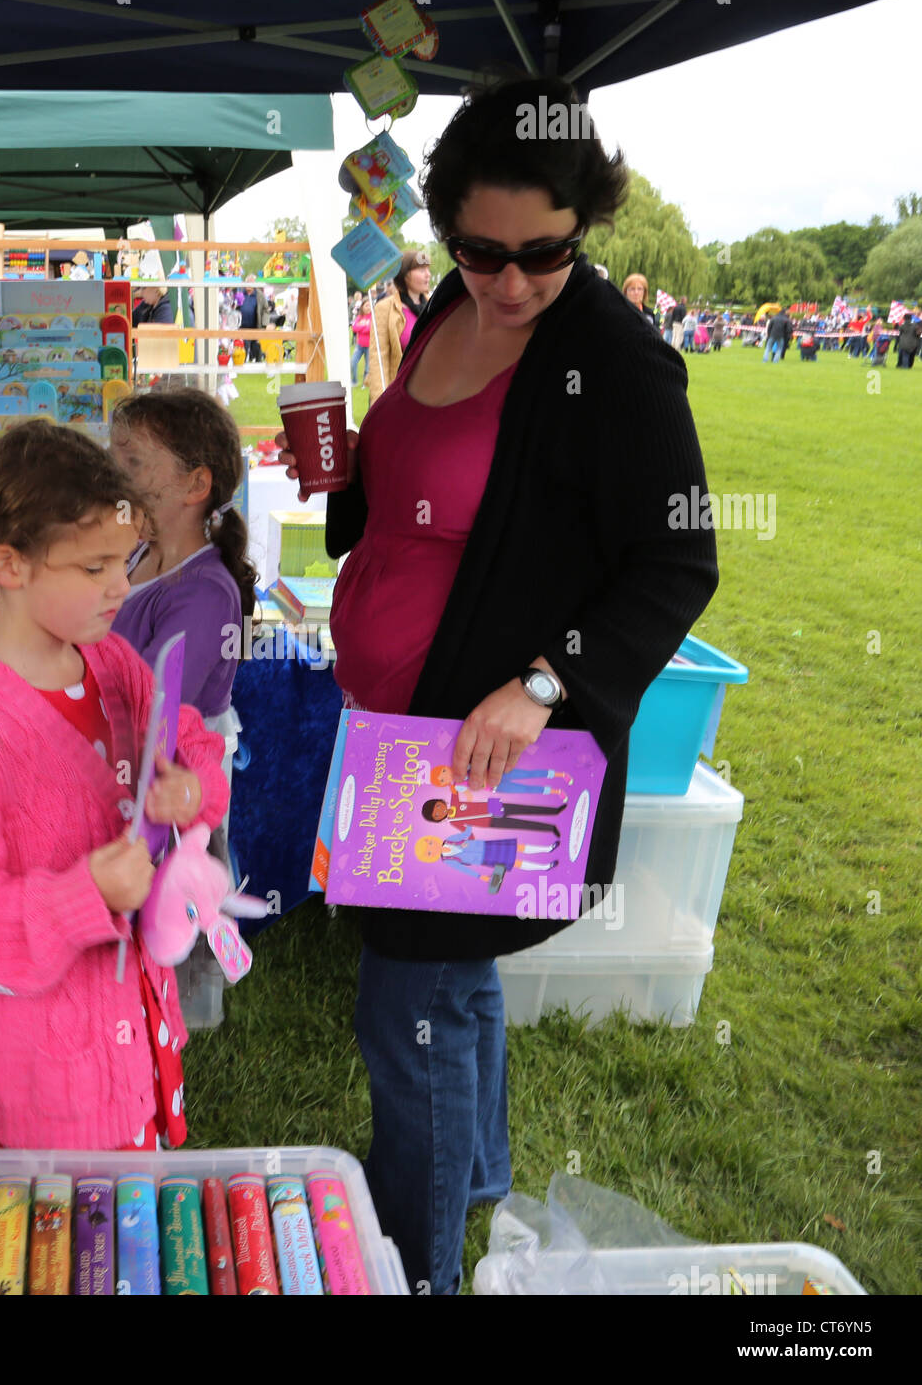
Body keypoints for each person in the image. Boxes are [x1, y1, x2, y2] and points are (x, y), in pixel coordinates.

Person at [277, 74, 718, 1295]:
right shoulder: (437, 312)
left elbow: (675, 558)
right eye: (479, 251)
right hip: (397, 731)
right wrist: (350, 471)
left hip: (478, 750)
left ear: (584, 229)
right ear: (443, 226)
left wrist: (543, 683)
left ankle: (413, 1267)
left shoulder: (614, 363)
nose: (510, 282)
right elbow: (426, 475)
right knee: (451, 984)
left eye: (543, 254)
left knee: (404, 1009)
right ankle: (470, 1187)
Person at [0, 422, 230, 1151]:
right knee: (77, 1240)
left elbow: (192, 739)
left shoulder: (111, 662)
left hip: (135, 1021)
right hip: (55, 1070)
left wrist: (191, 787)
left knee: (139, 1206)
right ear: (10, 567)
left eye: (128, 558)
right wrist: (85, 896)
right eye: (93, 569)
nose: (122, 585)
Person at [108, 390, 256, 724]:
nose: (111, 480)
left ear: (196, 485)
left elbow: (147, 713)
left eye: (134, 464)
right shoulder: (136, 553)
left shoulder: (206, 594)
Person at [367, 249, 432, 408]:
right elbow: (378, 360)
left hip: (432, 396)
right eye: (422, 269)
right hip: (401, 399)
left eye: (428, 269)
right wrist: (380, 404)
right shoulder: (385, 308)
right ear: (405, 275)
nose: (428, 274)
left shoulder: (434, 304)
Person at [351, 304, 373, 385]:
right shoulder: (359, 317)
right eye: (366, 305)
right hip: (359, 346)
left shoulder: (373, 317)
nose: (368, 307)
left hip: (369, 346)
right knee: (353, 362)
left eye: (370, 305)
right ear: (362, 307)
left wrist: (360, 328)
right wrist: (364, 327)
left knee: (367, 367)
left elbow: (370, 328)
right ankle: (354, 381)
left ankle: (365, 383)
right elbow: (354, 328)